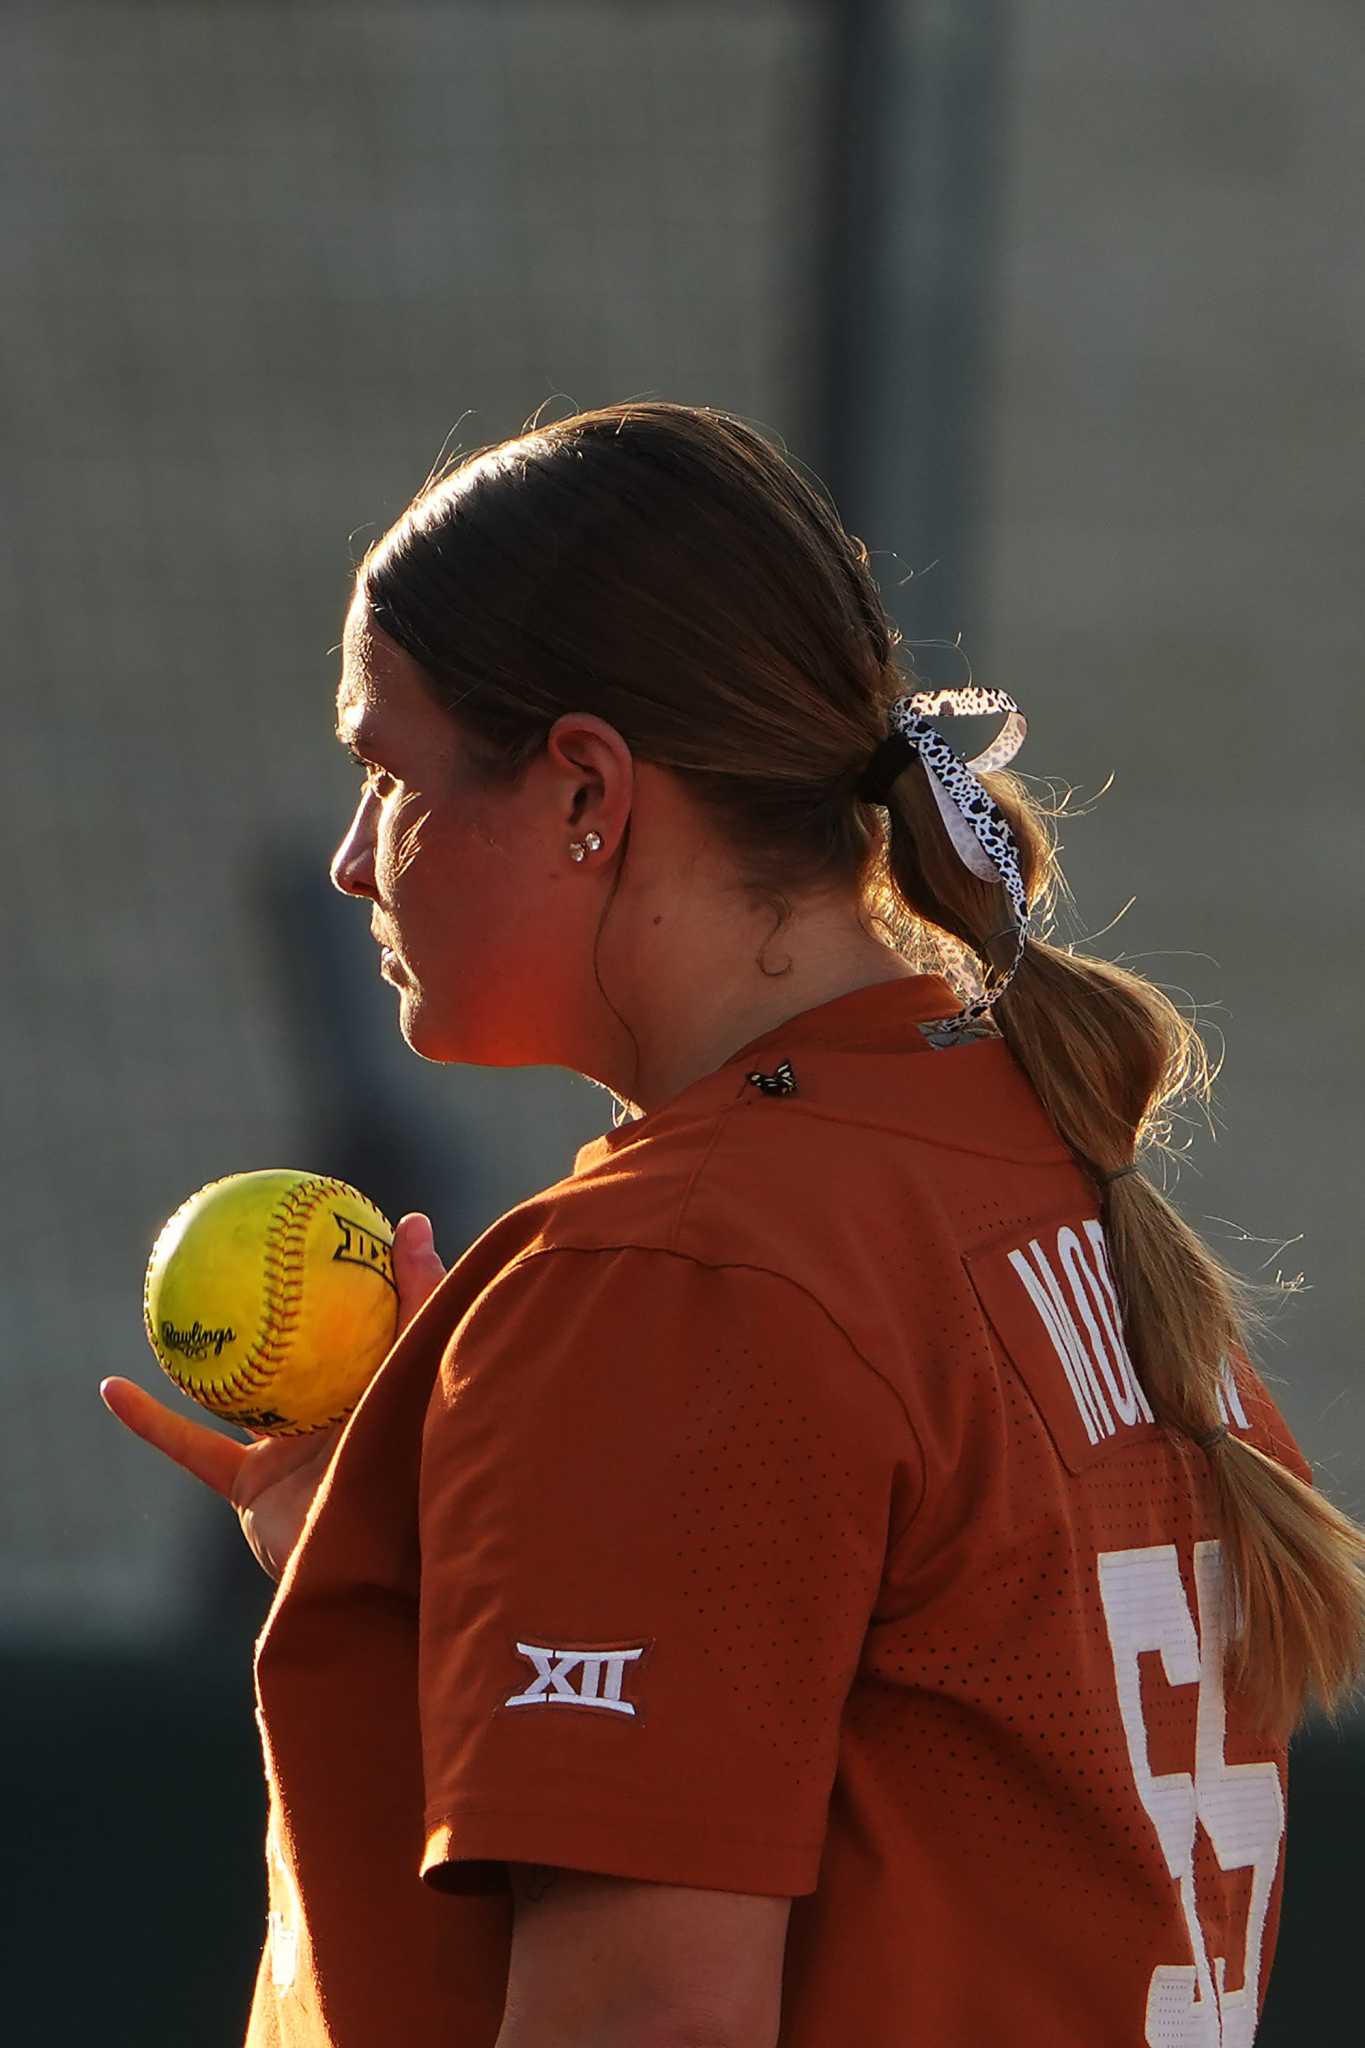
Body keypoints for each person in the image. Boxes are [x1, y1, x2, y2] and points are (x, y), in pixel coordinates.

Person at [101, 400, 1365, 2048]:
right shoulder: (1028, 1171)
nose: (354, 860)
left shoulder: (679, 1274)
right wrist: (433, 1569)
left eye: (383, 770)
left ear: (583, 791)